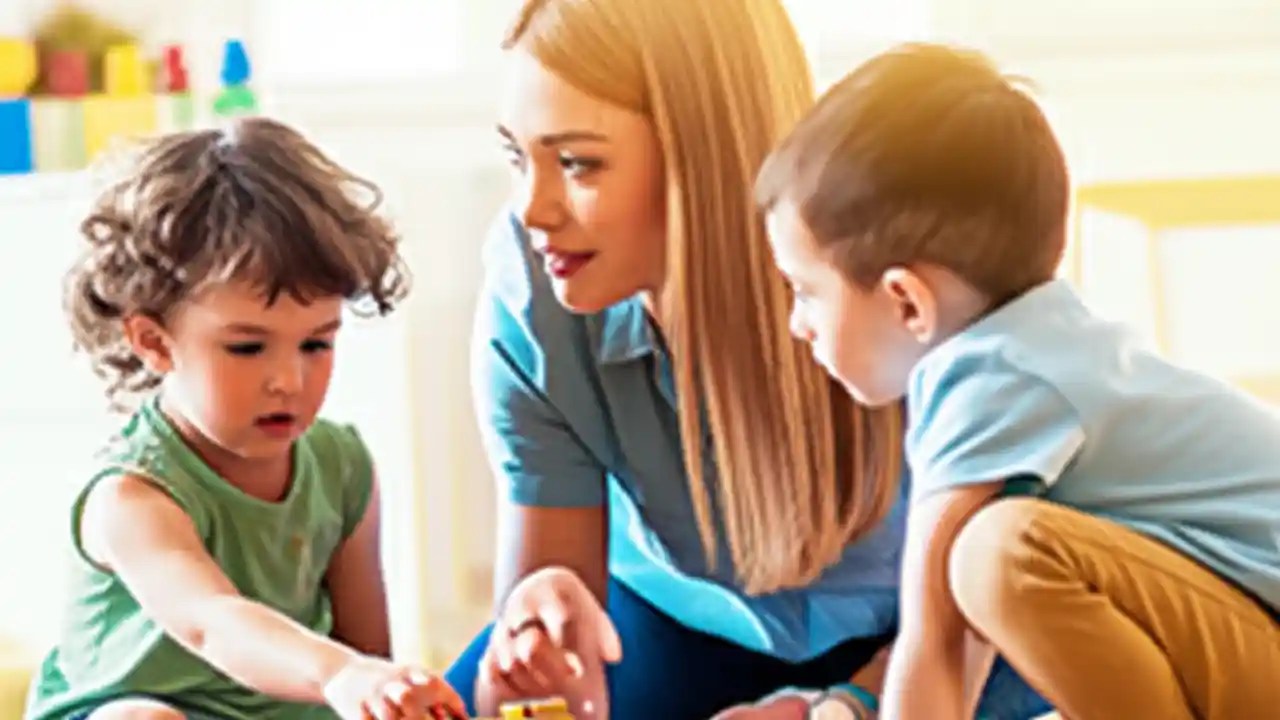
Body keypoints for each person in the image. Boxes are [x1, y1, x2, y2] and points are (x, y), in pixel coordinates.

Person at [445, 2, 1048, 719]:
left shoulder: (905, 264)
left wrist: (834, 707)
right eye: (519, 156)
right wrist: (529, 661)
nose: (531, 209)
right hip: (674, 622)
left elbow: (1002, 591)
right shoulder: (531, 283)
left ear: (702, 157)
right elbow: (550, 646)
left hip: (934, 630)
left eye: (576, 162)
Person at [754, 42, 1280, 720]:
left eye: (804, 291)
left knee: (997, 554)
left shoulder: (990, 376)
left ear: (907, 302)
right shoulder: (1041, 345)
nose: (798, 324)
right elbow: (963, 643)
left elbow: (935, 642)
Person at [26, 118, 466, 720]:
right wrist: (341, 671)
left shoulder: (342, 468)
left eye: (316, 344)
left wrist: (383, 690)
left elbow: (367, 657)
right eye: (246, 348)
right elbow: (214, 624)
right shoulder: (131, 497)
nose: (289, 380)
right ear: (154, 342)